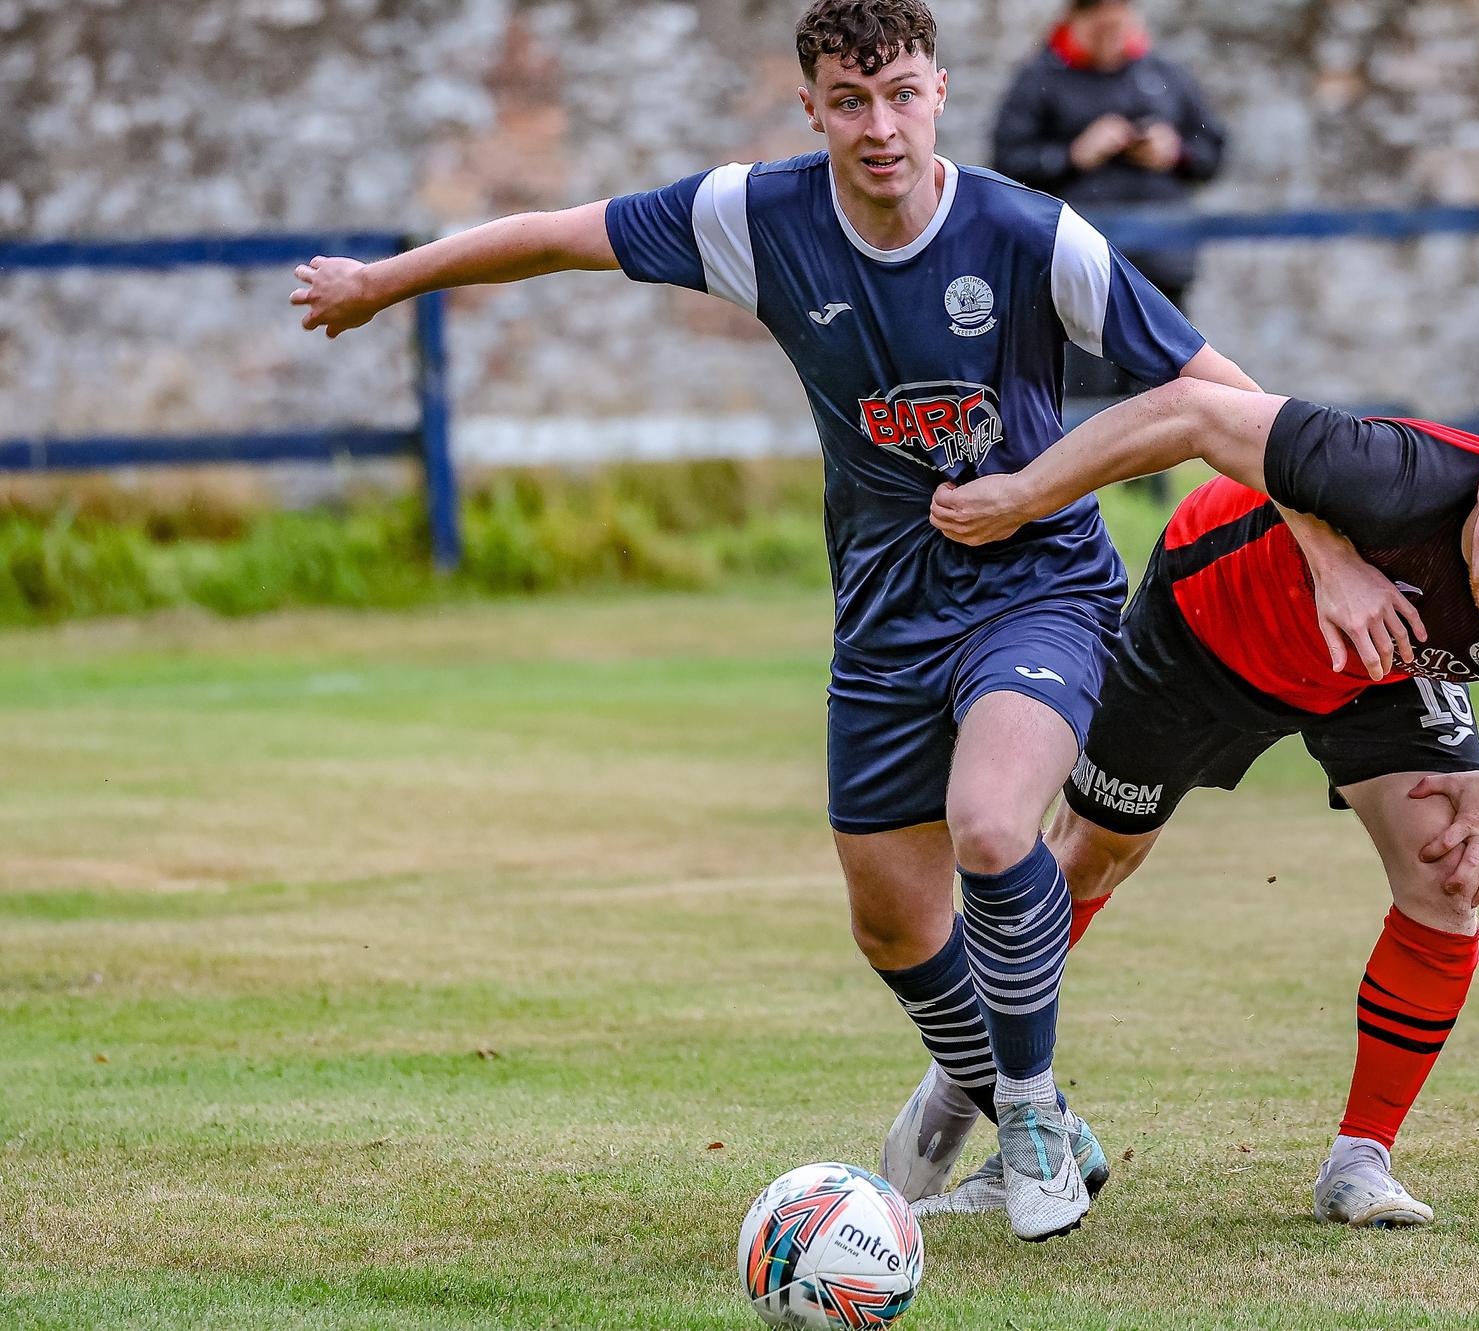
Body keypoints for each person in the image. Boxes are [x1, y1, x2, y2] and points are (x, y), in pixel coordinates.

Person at [288, 0, 1293, 1243]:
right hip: (881, 606)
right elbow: (556, 235)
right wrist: (385, 282)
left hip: (1035, 583)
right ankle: (995, 1088)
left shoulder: (1032, 235)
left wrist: (1335, 532)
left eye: (904, 94)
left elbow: (1226, 395)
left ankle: (1023, 1107)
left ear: (939, 91)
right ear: (810, 106)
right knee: (888, 919)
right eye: (852, 101)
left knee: (992, 824)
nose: (882, 126)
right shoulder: (749, 217)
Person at [909, 385, 1479, 1227]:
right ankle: (988, 1095)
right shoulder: (1391, 473)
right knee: (1089, 857)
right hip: (1205, 627)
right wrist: (1025, 495)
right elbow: (1193, 410)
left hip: (1379, 669)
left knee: (1449, 873)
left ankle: (1361, 1159)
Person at [992, 0, 1227, 497]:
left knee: (1165, 380)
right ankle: (1082, 494)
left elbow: (1212, 152)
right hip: (1077, 272)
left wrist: (1174, 151)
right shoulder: (1040, 79)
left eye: (1119, 27)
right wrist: (1075, 154)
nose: (1112, 40)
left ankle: (1153, 496)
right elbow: (1006, 163)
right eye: (1100, 30)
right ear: (1074, 23)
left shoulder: (1165, 75)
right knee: (1086, 388)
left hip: (1163, 263)